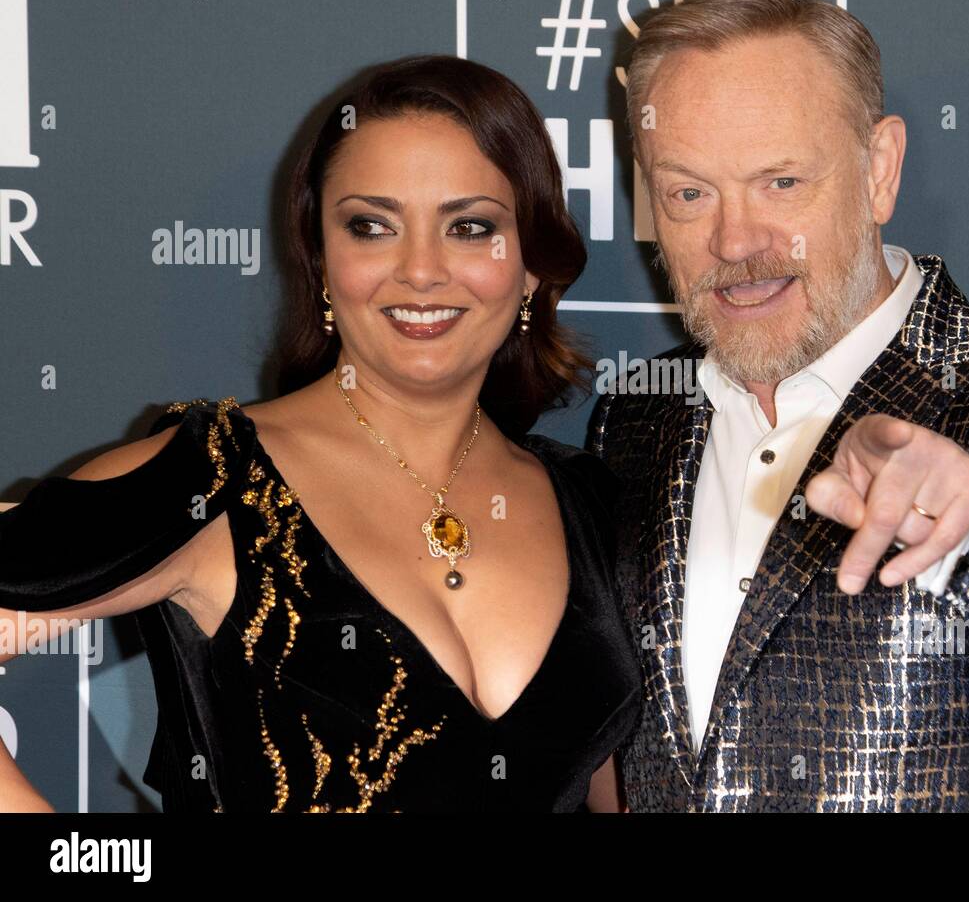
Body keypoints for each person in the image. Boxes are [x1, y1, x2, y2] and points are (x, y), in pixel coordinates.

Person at [589, 0, 969, 811]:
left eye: (781, 182)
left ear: (879, 169)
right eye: (688, 193)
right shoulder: (636, 418)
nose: (735, 238)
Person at [0, 55, 640, 812]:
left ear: (530, 266)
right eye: (372, 226)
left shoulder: (591, 506)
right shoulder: (215, 475)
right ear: (322, 260)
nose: (422, 271)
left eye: (470, 227)